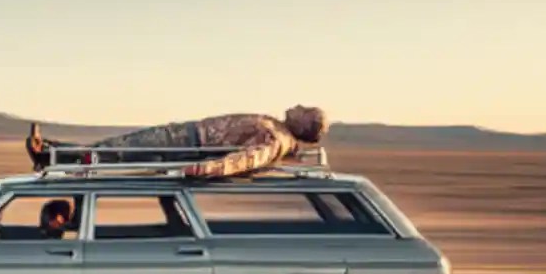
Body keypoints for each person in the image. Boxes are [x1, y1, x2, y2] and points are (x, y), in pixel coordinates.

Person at [24, 105, 329, 178]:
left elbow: (244, 160)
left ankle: (51, 155)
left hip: (188, 143)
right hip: (187, 136)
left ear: (305, 125)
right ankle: (53, 152)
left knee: (118, 151)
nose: (298, 105)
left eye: (305, 110)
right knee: (118, 147)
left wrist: (200, 170)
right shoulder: (278, 131)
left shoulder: (276, 139)